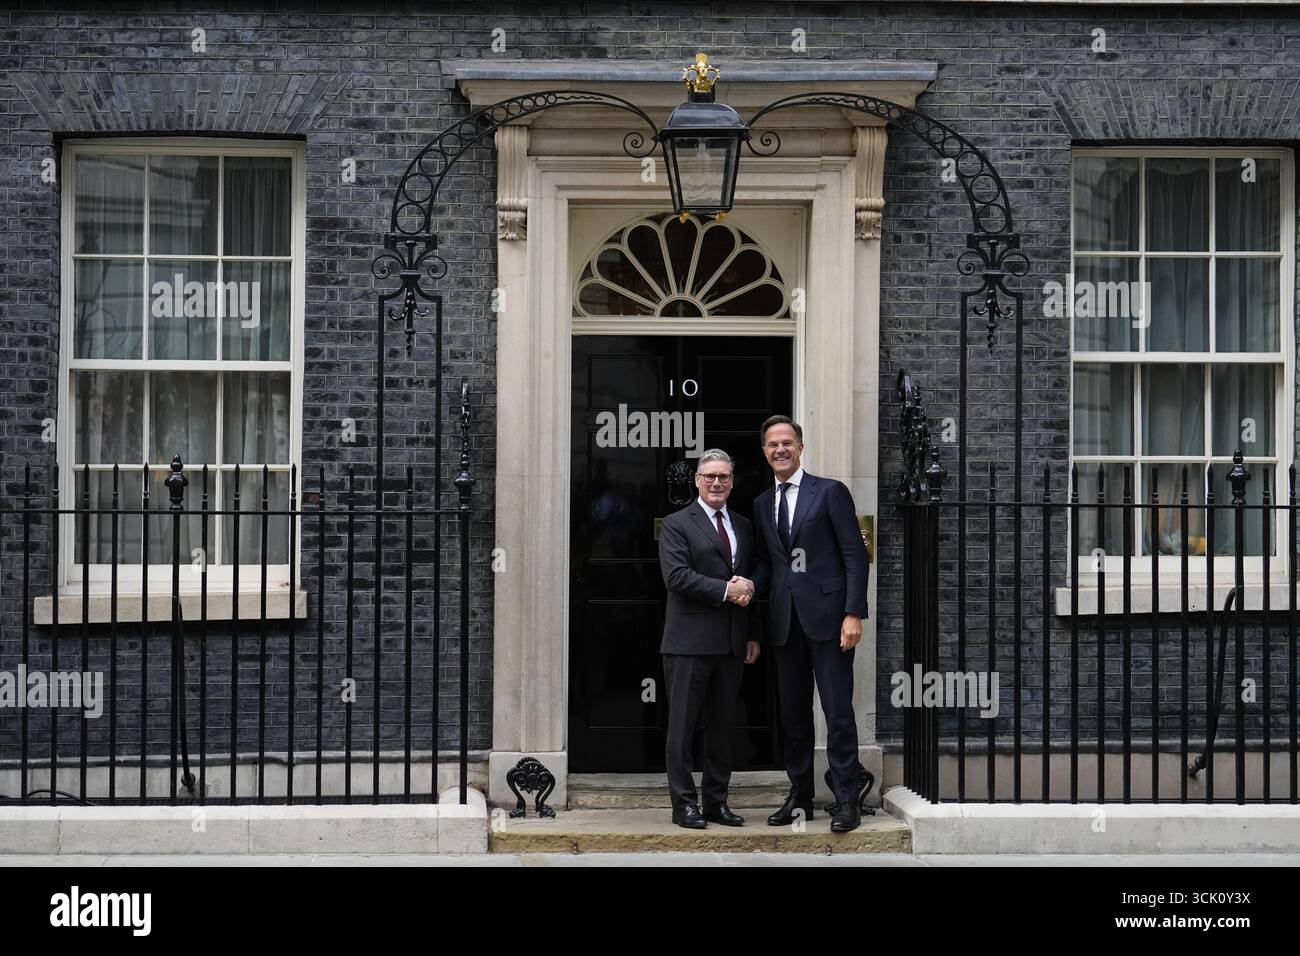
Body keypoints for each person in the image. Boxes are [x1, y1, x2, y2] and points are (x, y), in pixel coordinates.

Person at [752, 415, 870, 832]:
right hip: (785, 623)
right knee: (794, 716)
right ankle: (800, 796)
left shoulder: (830, 492)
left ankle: (846, 798)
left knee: (837, 713)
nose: (780, 450)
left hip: (830, 621)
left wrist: (853, 613)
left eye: (787, 442)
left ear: (800, 448)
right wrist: (746, 586)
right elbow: (768, 563)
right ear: (764, 452)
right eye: (772, 444)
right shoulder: (762, 503)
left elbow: (855, 555)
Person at [657, 448, 761, 829]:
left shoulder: (744, 525)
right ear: (697, 481)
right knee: (682, 728)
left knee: (722, 728)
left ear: (732, 482)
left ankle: (716, 802)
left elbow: (749, 577)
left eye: (723, 477)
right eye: (710, 476)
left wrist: (752, 633)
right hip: (688, 643)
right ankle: (684, 804)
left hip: (732, 642)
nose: (717, 482)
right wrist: (727, 591)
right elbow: (676, 577)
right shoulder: (676, 523)